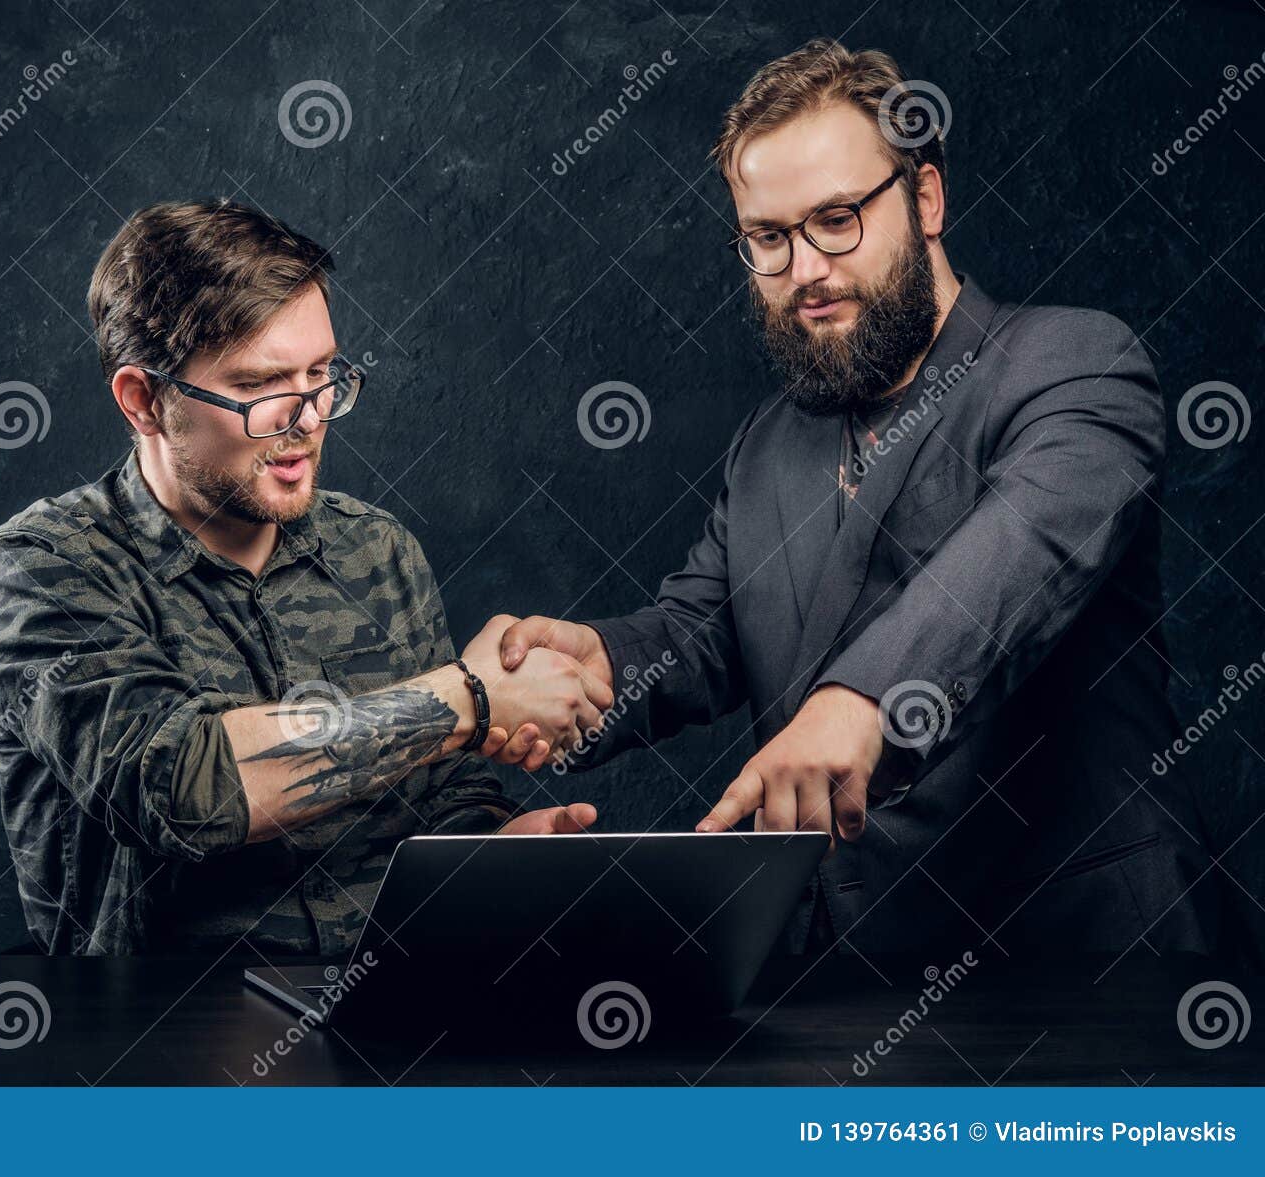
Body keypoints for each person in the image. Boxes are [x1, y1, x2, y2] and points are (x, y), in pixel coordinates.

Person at [497, 39, 1215, 956]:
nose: (805, 270)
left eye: (836, 219)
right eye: (768, 238)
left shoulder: (1073, 364)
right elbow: (701, 632)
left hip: (1089, 978)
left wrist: (863, 701)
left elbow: (1020, 554)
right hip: (849, 986)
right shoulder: (769, 443)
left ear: (924, 199)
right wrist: (595, 661)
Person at [0, 201, 609, 956]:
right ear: (144, 400)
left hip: (387, 1028)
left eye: (323, 373)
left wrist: (499, 843)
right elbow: (179, 788)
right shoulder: (39, 570)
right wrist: (469, 694)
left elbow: (443, 795)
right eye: (264, 385)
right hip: (160, 1042)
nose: (308, 417)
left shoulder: (378, 548)